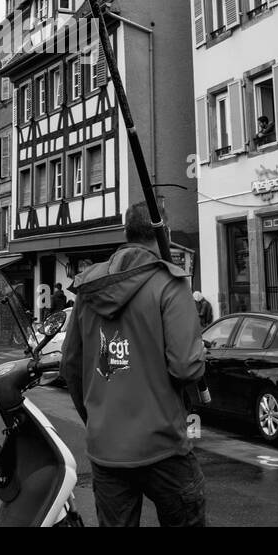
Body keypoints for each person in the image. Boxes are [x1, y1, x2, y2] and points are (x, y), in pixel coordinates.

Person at [60, 203, 207, 528]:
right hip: (163, 445)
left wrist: (96, 418)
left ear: (126, 234)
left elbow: (70, 365)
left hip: (106, 447)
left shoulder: (89, 288)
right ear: (163, 232)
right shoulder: (171, 283)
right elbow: (186, 367)